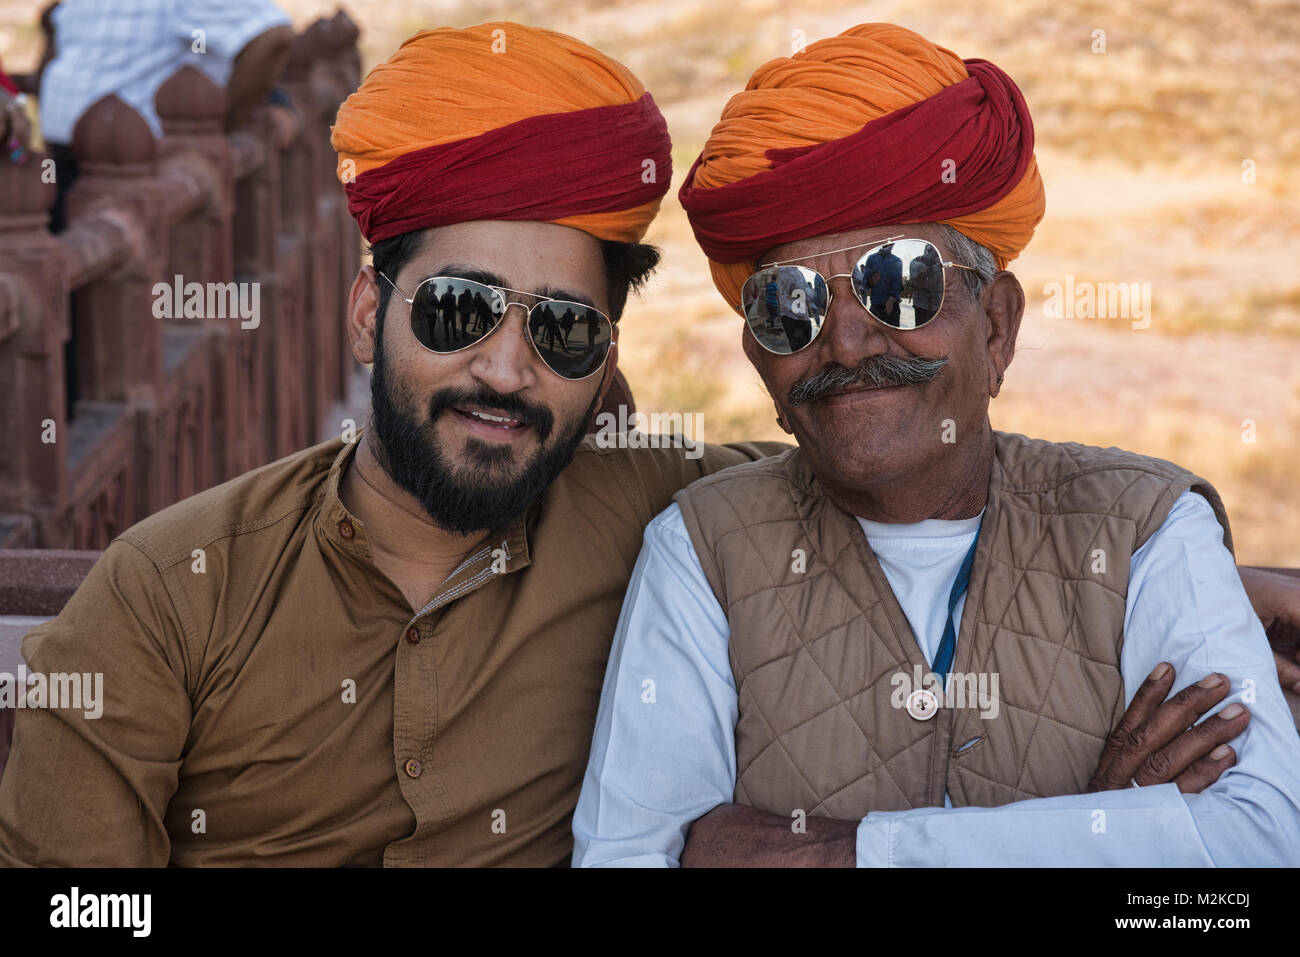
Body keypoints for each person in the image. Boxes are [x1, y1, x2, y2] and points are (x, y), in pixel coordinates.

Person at [0, 20, 1294, 869]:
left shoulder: (682, 522)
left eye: (563, 332)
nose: (506, 367)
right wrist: (1118, 835)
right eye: (456, 311)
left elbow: (1246, 854)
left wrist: (1068, 831)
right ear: (362, 309)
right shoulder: (173, 590)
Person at [572, 23, 1300, 867]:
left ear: (997, 325)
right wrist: (1106, 838)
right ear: (758, 357)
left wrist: (839, 856)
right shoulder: (701, 549)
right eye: (790, 305)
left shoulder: (1149, 527)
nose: (844, 341)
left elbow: (1255, 850)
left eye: (901, 284)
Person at [36, 0, 292, 230]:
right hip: (110, 154)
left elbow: (270, 38)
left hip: (106, 149)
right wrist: (226, 125)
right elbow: (272, 36)